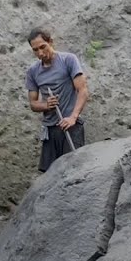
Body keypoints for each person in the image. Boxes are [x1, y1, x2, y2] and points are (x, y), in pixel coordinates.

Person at [24, 29, 90, 172]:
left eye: (43, 47)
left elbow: (83, 91)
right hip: (50, 129)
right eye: (35, 50)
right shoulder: (33, 71)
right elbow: (33, 104)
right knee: (50, 175)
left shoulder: (68, 60)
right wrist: (46, 105)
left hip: (71, 127)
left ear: (50, 42)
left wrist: (73, 117)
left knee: (73, 172)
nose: (40, 53)